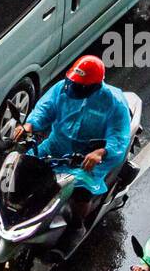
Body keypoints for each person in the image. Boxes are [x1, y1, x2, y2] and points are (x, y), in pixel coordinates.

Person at [13, 55, 132, 250]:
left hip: (86, 158)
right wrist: (28, 126)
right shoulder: (62, 88)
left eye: (79, 86)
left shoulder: (114, 102)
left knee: (80, 189)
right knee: (24, 166)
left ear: (93, 86)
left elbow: (119, 137)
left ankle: (77, 224)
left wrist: (101, 152)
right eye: (73, 83)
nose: (73, 88)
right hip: (56, 146)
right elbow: (44, 109)